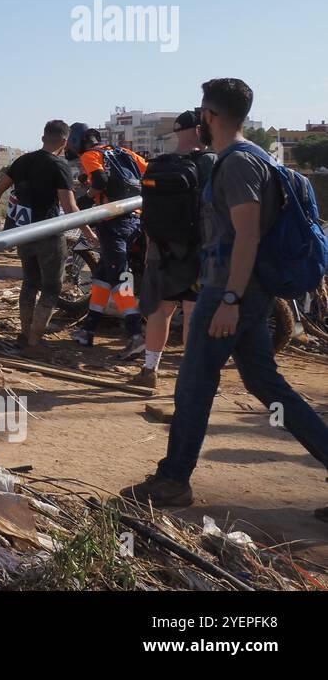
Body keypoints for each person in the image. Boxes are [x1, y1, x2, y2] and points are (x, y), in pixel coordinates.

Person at [121, 79, 328, 518]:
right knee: (266, 385)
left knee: (194, 384)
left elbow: (247, 235)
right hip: (243, 292)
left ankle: (174, 480)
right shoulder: (256, 157)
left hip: (232, 292)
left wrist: (230, 299)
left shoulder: (236, 164)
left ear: (209, 116)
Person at [0, 120, 97, 352]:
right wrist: (90, 234)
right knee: (52, 287)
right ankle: (35, 341)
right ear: (65, 142)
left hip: (23, 233)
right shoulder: (60, 165)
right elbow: (70, 207)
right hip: (48, 233)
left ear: (43, 137)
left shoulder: (23, 161)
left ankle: (25, 335)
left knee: (30, 282)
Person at [130, 111, 216, 388]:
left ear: (178, 132)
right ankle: (189, 376)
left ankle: (149, 370)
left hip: (162, 248)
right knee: (193, 312)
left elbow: (147, 214)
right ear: (200, 130)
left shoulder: (156, 166)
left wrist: (149, 248)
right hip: (198, 250)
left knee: (160, 310)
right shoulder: (211, 162)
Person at [72, 127, 149, 352]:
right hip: (135, 219)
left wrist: (86, 198)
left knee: (119, 277)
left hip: (112, 222)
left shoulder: (91, 155)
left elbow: (100, 181)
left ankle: (136, 335)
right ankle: (88, 330)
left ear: (77, 142)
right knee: (102, 276)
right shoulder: (124, 152)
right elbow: (149, 172)